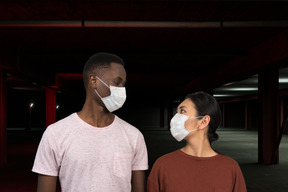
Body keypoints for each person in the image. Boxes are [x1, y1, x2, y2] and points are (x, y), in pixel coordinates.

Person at [32, 52, 148, 192]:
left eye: (123, 84)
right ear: (94, 80)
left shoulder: (134, 136)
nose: (121, 90)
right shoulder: (55, 133)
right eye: (117, 82)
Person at [147, 91, 246, 192]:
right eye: (176, 112)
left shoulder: (230, 168)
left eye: (182, 111)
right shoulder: (163, 165)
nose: (175, 118)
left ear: (203, 121)